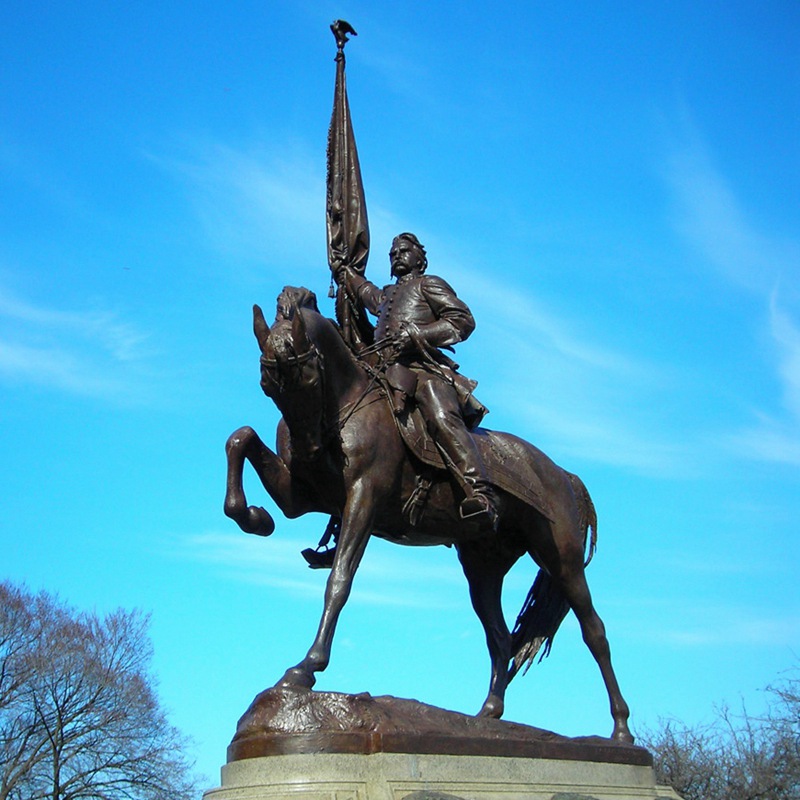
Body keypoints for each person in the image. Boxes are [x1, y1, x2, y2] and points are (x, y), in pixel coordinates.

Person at [344, 232, 496, 527]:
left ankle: (479, 489)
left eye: (403, 250)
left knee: (441, 416)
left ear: (419, 258)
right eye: (392, 253)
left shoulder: (429, 284)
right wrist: (344, 270)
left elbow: (462, 320)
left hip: (421, 368)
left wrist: (418, 334)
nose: (396, 255)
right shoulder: (386, 295)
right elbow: (364, 291)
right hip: (383, 370)